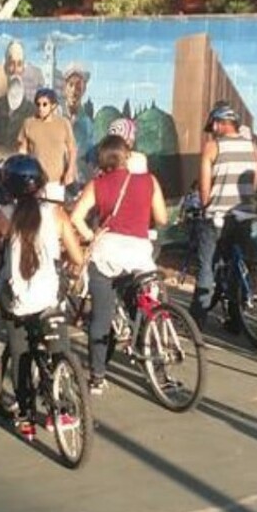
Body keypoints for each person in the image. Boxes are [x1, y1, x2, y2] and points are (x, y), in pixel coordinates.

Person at [0, 155, 87, 441]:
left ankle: (27, 416)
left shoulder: (3, 216)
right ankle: (65, 406)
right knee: (59, 349)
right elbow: (78, 256)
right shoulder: (56, 214)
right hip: (48, 298)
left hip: (17, 300)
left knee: (20, 352)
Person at [71, 132, 170, 394]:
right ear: (127, 156)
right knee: (144, 307)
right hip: (139, 255)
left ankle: (97, 376)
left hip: (107, 253)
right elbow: (161, 218)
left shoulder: (97, 184)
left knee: (101, 318)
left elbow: (76, 218)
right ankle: (154, 362)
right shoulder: (149, 181)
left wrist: (92, 236)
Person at [191, 102, 257, 328]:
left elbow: (205, 185)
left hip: (218, 216)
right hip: (243, 216)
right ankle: (235, 319)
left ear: (220, 123)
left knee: (206, 267)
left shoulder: (213, 146)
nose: (212, 129)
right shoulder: (252, 147)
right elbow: (253, 182)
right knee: (235, 264)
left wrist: (204, 206)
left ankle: (196, 321)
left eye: (214, 125)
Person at [17, 87, 78, 187]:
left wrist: (70, 171)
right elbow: (22, 150)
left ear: (53, 105)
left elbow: (72, 149)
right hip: (34, 180)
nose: (41, 108)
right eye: (38, 104)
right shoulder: (28, 123)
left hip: (57, 181)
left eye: (45, 104)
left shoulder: (63, 123)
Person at [0, 39, 38, 152]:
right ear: (5, 67)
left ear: (23, 69)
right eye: (11, 64)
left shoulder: (31, 110)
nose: (15, 70)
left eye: (19, 64)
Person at [61, 64, 95, 179]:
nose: (74, 91)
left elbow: (89, 154)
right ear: (64, 87)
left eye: (78, 87)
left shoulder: (86, 122)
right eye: (70, 85)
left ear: (83, 90)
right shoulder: (54, 114)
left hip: (77, 178)